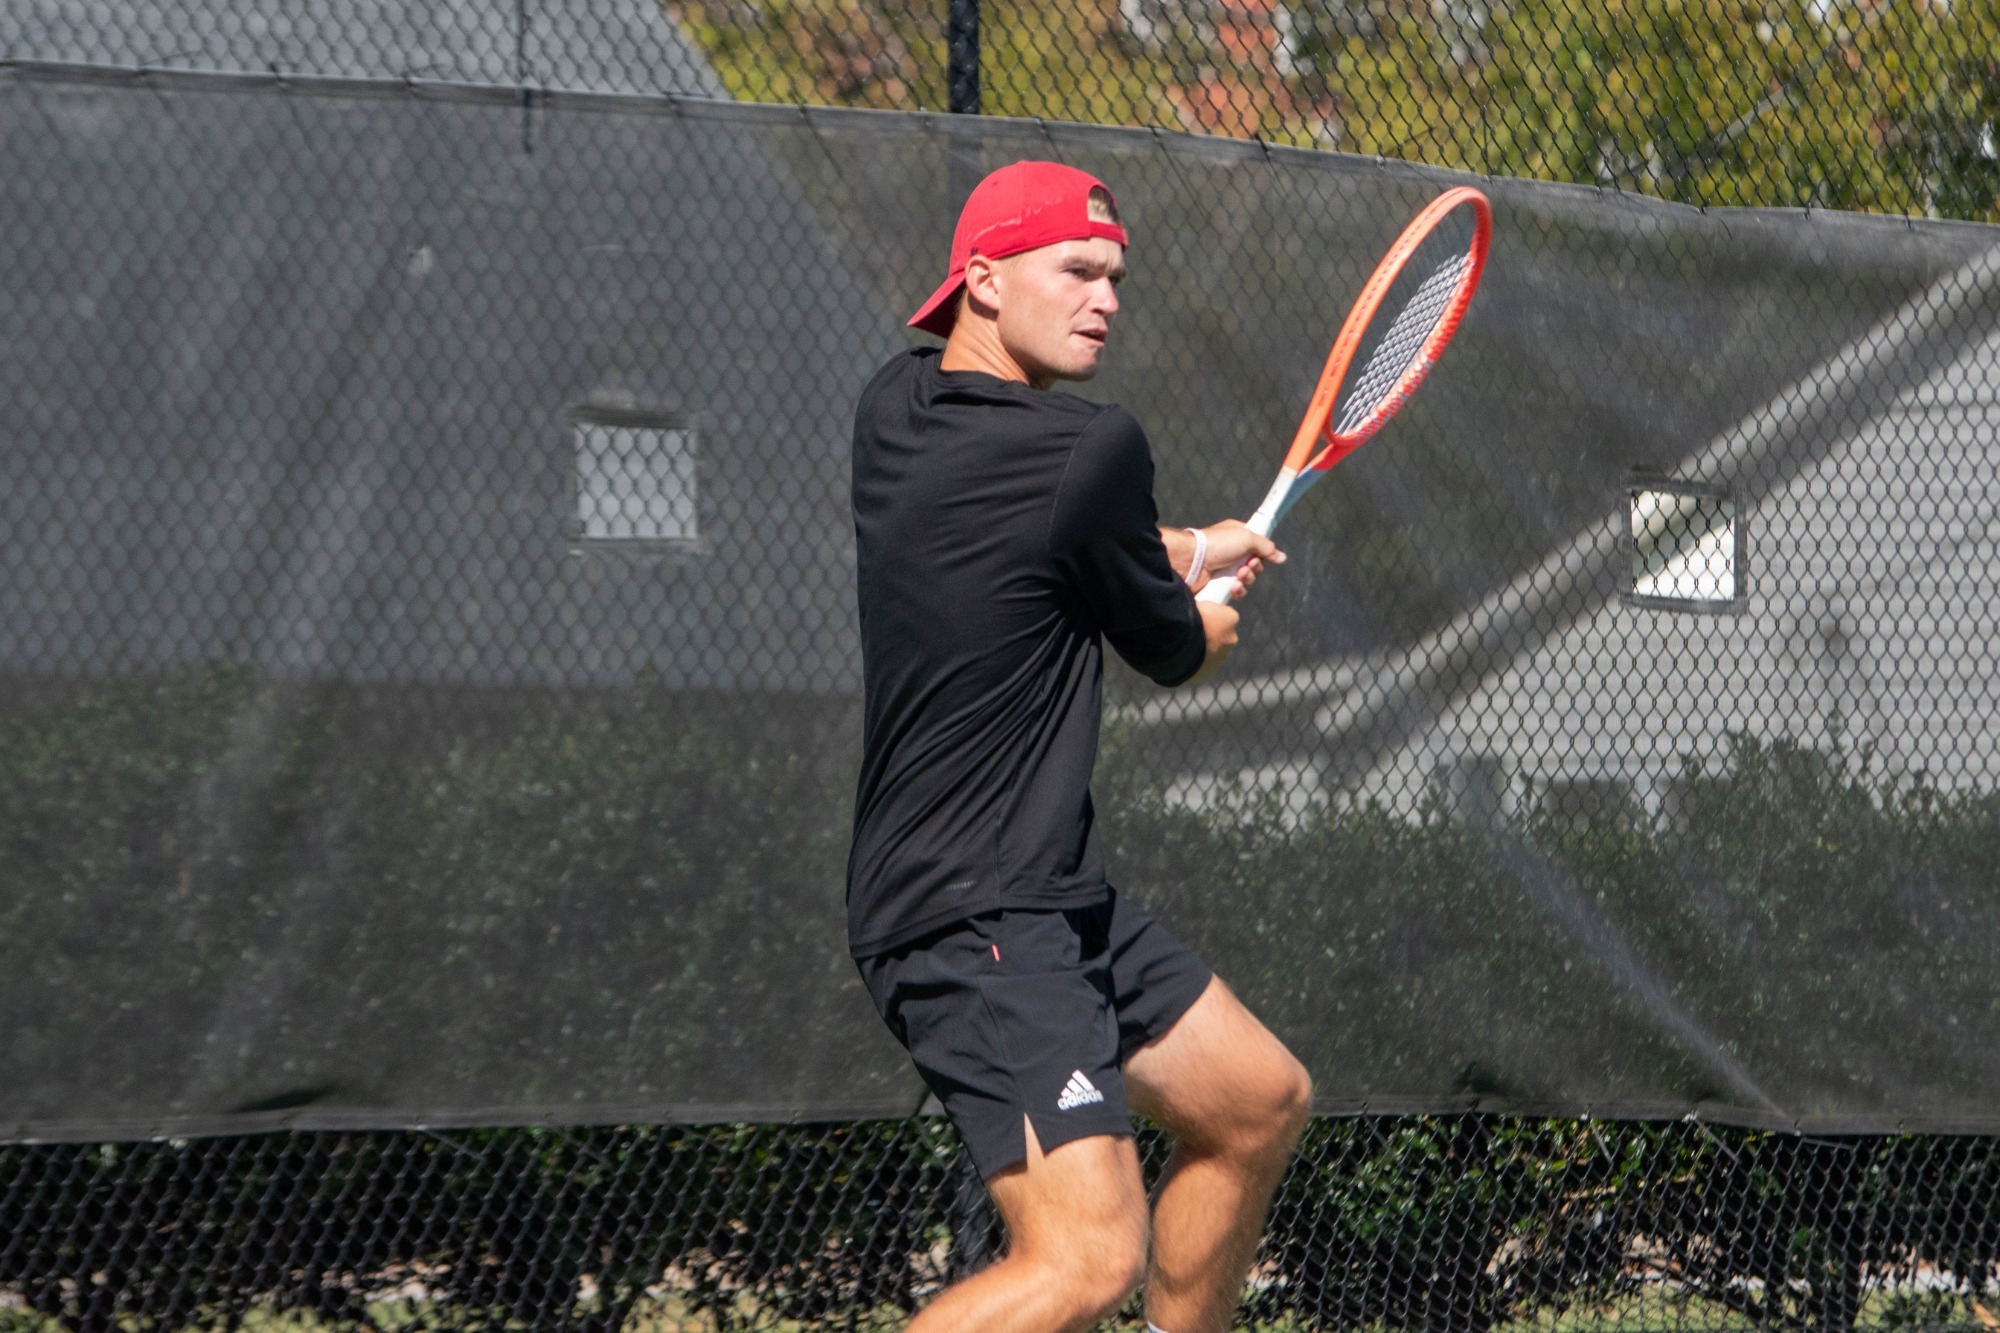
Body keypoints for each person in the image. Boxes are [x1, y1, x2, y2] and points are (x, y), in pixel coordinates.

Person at [848, 160, 1312, 1333]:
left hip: (1031, 895)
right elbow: (1173, 650)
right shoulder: (1090, 445)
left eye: (1114, 277)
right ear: (984, 281)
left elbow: (1062, 526)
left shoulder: (894, 410)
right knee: (1086, 1255)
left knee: (1254, 1099)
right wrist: (1202, 615)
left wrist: (1191, 546)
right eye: (1076, 271)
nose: (1104, 299)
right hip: (979, 914)